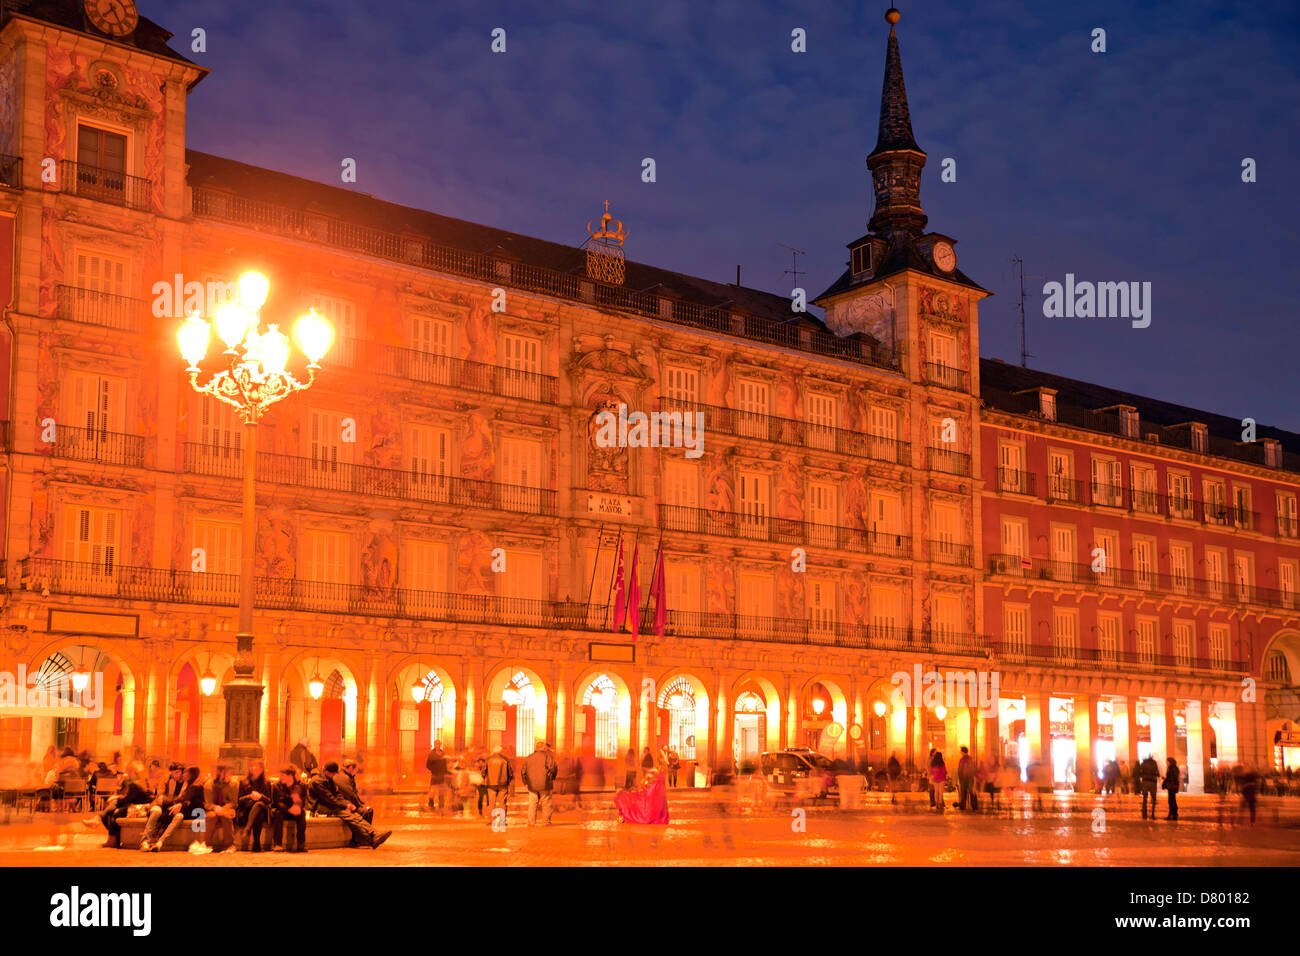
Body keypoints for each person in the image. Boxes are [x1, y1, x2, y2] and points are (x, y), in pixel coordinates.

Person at [308, 762, 391, 848]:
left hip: (331, 805)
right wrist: (345, 806)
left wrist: (346, 803)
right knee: (349, 815)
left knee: (354, 815)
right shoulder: (317, 781)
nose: (334, 776)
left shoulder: (328, 778)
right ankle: (371, 837)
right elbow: (329, 798)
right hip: (320, 807)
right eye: (333, 774)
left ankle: (373, 834)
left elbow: (337, 794)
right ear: (326, 771)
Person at [151, 766, 206, 853]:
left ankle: (158, 831)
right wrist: (180, 804)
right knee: (172, 810)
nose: (184, 774)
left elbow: (184, 798)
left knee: (171, 811)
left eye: (186, 773)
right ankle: (159, 834)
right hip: (189, 809)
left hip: (197, 812)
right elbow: (185, 800)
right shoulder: (189, 784)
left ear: (192, 775)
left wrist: (168, 802)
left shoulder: (196, 786)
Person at [98, 765, 152, 848]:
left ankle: (113, 840)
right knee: (113, 810)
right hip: (137, 806)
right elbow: (126, 796)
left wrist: (117, 798)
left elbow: (126, 800)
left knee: (115, 814)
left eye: (128, 772)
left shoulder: (135, 784)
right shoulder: (137, 782)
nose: (125, 774)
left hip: (140, 809)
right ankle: (114, 838)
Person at [138, 762, 185, 851]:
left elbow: (184, 798)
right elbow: (161, 796)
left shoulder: (186, 782)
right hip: (161, 805)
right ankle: (144, 841)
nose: (175, 775)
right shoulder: (167, 779)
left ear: (182, 772)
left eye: (177, 772)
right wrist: (173, 800)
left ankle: (160, 843)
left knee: (180, 816)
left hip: (173, 807)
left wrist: (176, 802)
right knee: (156, 811)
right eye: (173, 773)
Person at [236, 759, 274, 852]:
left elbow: (269, 800)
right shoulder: (244, 782)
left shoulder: (266, 782)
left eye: (256, 766)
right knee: (258, 815)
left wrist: (260, 796)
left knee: (259, 804)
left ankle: (247, 829)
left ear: (261, 769)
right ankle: (256, 844)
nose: (254, 768)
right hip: (247, 809)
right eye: (252, 766)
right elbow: (239, 800)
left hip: (263, 809)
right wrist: (250, 796)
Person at [271, 765, 309, 853]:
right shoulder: (277, 786)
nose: (280, 778)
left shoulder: (300, 786)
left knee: (302, 814)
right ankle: (277, 844)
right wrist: (289, 809)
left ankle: (301, 843)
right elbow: (277, 803)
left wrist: (298, 807)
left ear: (290, 776)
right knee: (278, 814)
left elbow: (303, 800)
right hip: (283, 810)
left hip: (295, 810)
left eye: (283, 776)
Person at [520, 740, 558, 826]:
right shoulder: (548, 757)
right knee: (546, 803)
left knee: (532, 804)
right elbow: (553, 768)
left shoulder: (529, 757)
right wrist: (552, 778)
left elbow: (523, 771)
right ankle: (546, 822)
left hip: (531, 785)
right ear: (544, 748)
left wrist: (525, 782)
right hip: (545, 784)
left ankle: (531, 822)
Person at [204, 763, 239, 852]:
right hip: (213, 809)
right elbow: (208, 803)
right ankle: (207, 844)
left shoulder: (233, 783)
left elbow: (233, 802)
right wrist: (216, 808)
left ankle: (230, 845)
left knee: (226, 816)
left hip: (228, 808)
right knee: (210, 817)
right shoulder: (208, 784)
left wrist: (223, 809)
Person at [335, 757, 373, 824]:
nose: (356, 773)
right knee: (367, 811)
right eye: (356, 770)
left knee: (367, 810)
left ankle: (367, 832)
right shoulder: (345, 778)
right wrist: (359, 806)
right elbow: (350, 794)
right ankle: (365, 833)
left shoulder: (343, 775)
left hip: (347, 803)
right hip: (347, 805)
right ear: (351, 768)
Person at [484, 745, 512, 822]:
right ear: (501, 751)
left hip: (491, 784)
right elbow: (510, 773)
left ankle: (491, 820)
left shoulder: (488, 759)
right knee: (502, 803)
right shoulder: (505, 759)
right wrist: (508, 781)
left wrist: (486, 778)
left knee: (491, 803)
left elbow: (483, 772)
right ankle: (502, 821)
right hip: (503, 784)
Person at [426, 741, 450, 814]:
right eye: (436, 744)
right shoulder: (431, 754)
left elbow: (445, 764)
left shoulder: (443, 753)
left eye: (439, 744)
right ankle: (431, 804)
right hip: (435, 775)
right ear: (434, 745)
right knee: (432, 791)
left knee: (441, 791)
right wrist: (434, 770)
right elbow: (428, 765)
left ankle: (441, 805)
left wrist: (446, 772)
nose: (438, 745)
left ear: (440, 745)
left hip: (442, 775)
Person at [1138, 754, 1161, 819]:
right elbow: (1157, 773)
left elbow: (1140, 772)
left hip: (1145, 781)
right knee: (1153, 798)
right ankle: (1152, 813)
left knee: (1144, 798)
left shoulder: (1143, 763)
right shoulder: (1154, 763)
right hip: (1153, 782)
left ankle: (1144, 813)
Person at [956, 746, 978, 811]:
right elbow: (974, 769)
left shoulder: (962, 760)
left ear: (963, 752)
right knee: (972, 793)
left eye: (960, 751)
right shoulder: (971, 759)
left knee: (963, 793)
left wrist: (959, 778)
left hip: (963, 779)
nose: (960, 752)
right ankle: (974, 806)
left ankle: (963, 806)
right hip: (970, 778)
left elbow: (959, 770)